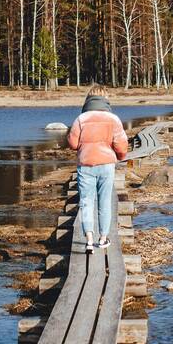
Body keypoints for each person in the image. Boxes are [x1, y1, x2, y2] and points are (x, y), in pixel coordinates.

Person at [66, 88, 129, 252]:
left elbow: (72, 144)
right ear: (106, 100)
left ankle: (88, 240)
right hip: (106, 164)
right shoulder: (113, 119)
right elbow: (122, 145)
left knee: (86, 202)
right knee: (104, 201)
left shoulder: (81, 119)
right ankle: (102, 238)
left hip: (85, 164)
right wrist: (120, 156)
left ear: (88, 100)